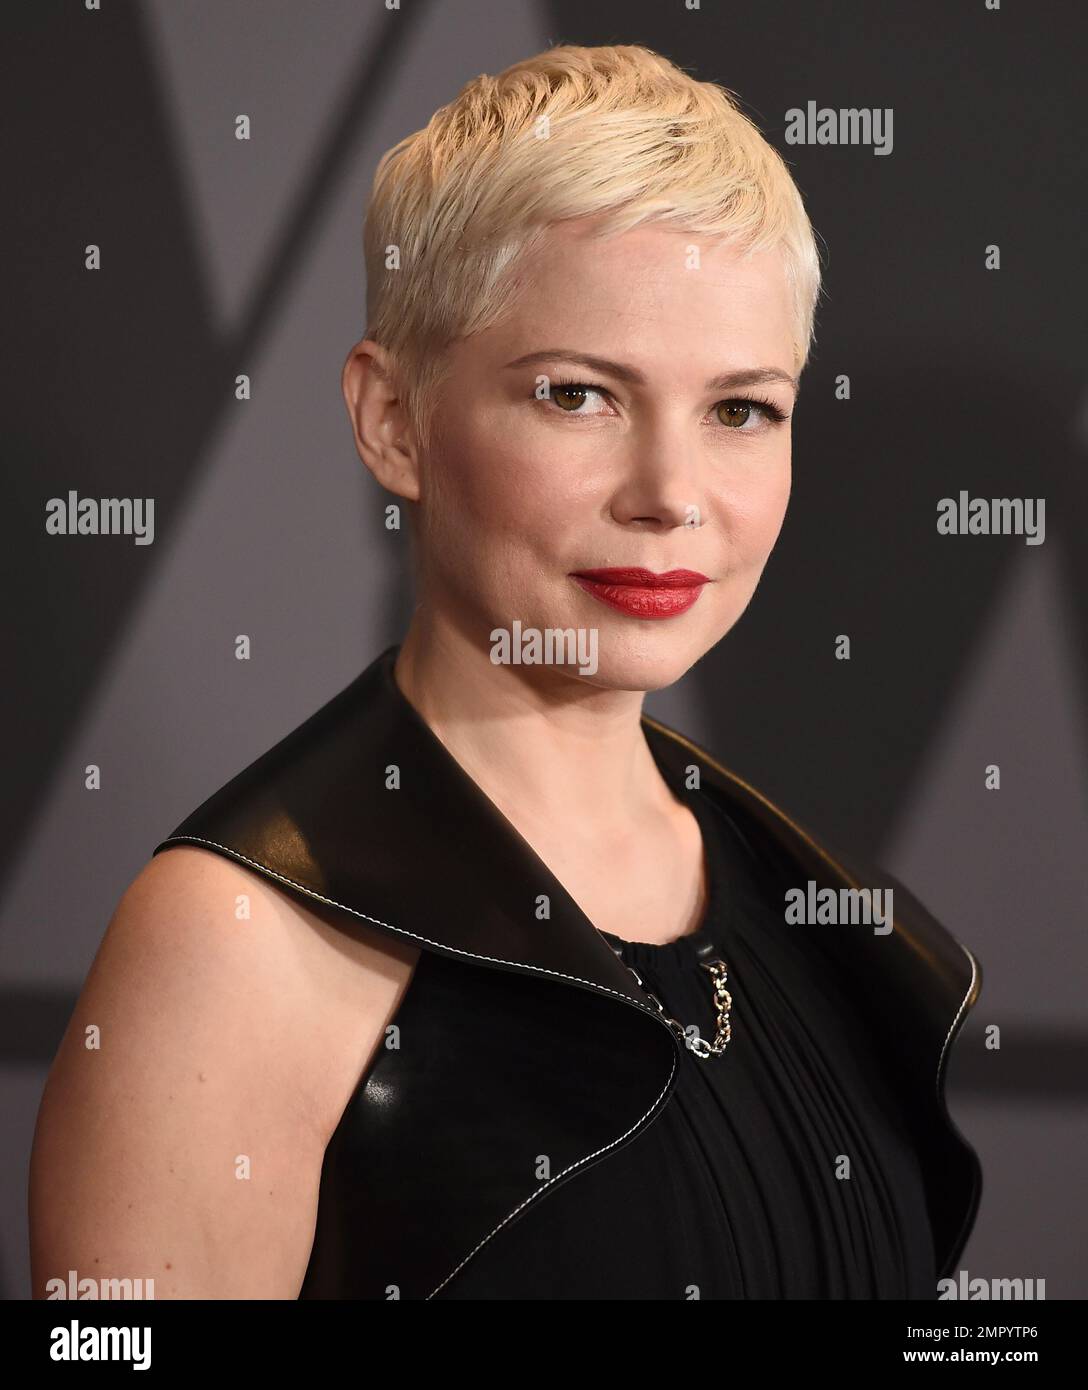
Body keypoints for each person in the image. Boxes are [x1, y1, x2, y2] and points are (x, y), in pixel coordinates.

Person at [29, 43, 981, 1301]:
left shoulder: (841, 926)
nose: (670, 497)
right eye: (578, 395)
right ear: (393, 421)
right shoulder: (238, 942)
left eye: (739, 409)